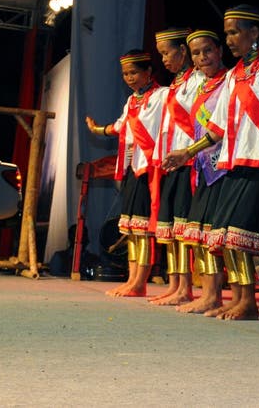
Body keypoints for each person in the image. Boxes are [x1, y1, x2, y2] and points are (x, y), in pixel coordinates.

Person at [163, 5, 259, 320]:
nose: (228, 39)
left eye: (233, 31)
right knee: (227, 237)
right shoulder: (235, 76)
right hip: (234, 161)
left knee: (239, 235)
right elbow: (216, 128)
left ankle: (249, 302)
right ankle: (239, 298)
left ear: (254, 33)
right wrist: (186, 153)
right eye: (226, 32)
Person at [86, 50, 168, 298]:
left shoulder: (162, 95)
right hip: (132, 166)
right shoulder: (132, 101)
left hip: (150, 166)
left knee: (143, 226)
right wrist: (97, 129)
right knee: (131, 227)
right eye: (125, 74)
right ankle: (133, 279)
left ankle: (140, 282)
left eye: (134, 72)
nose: (129, 78)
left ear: (148, 72)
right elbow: (121, 126)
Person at [173, 29, 230, 315]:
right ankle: (208, 294)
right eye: (196, 53)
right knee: (199, 233)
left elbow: (221, 128)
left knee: (215, 234)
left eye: (207, 50)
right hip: (202, 165)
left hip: (222, 164)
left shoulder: (229, 81)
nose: (202, 57)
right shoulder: (201, 86)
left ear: (219, 50)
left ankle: (214, 295)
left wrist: (189, 152)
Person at [149, 27, 197, 306]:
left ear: (182, 50)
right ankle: (175, 283)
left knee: (183, 226)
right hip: (172, 162)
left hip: (189, 159)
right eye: (161, 55)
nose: (164, 60)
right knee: (171, 228)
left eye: (167, 53)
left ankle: (186, 286)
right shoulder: (176, 84)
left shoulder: (198, 80)